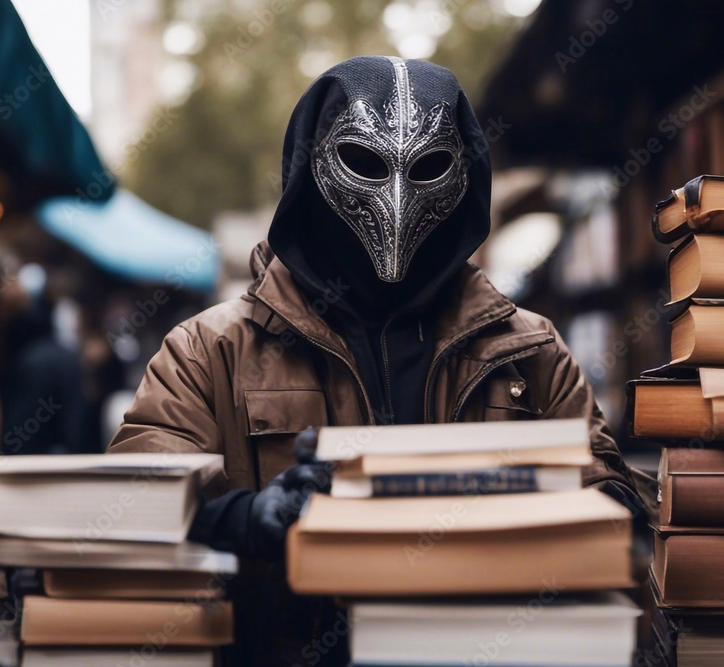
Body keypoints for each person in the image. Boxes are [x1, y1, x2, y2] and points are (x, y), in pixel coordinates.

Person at [109, 56, 637, 666]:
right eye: (364, 162)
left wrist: (529, 510)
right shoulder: (210, 350)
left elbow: (610, 505)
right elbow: (133, 501)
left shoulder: (531, 351)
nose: (396, 200)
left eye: (429, 168)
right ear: (312, 166)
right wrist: (249, 517)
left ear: (465, 173)